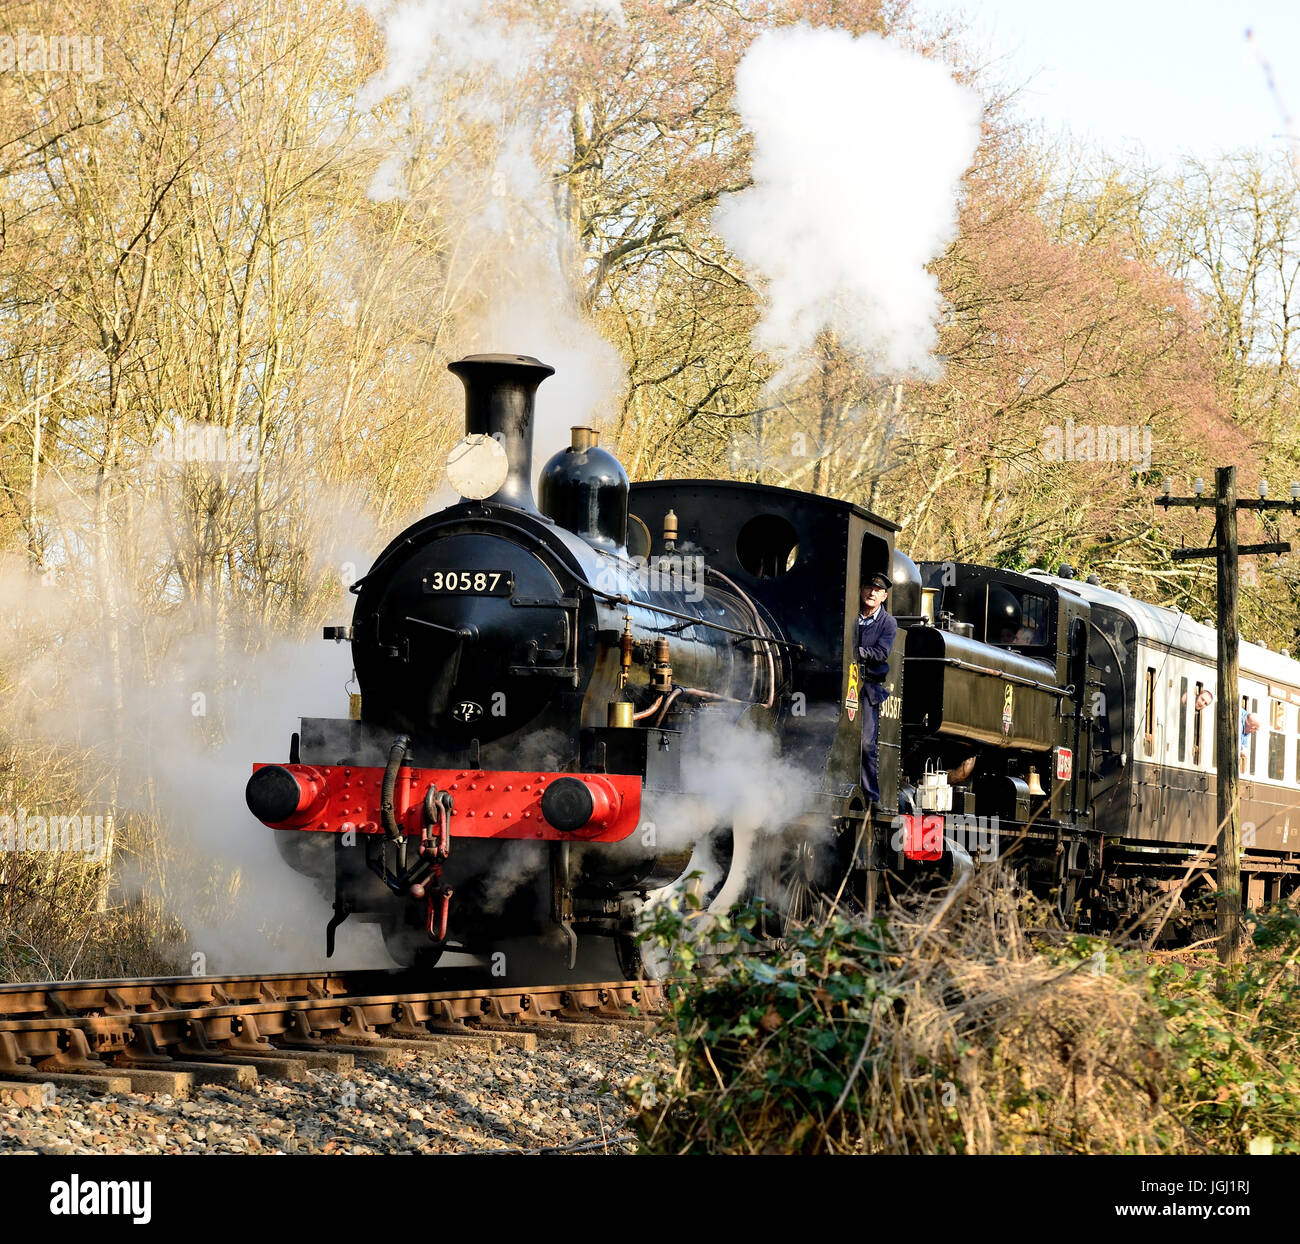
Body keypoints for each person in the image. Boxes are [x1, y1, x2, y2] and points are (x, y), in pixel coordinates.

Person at [857, 571, 898, 812]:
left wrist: (859, 652)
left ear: (883, 596)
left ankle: (872, 796)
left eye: (877, 590)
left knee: (866, 743)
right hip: (844, 681)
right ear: (861, 589)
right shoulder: (852, 615)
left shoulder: (888, 623)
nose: (872, 593)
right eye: (869, 587)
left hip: (867, 686)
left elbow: (882, 652)